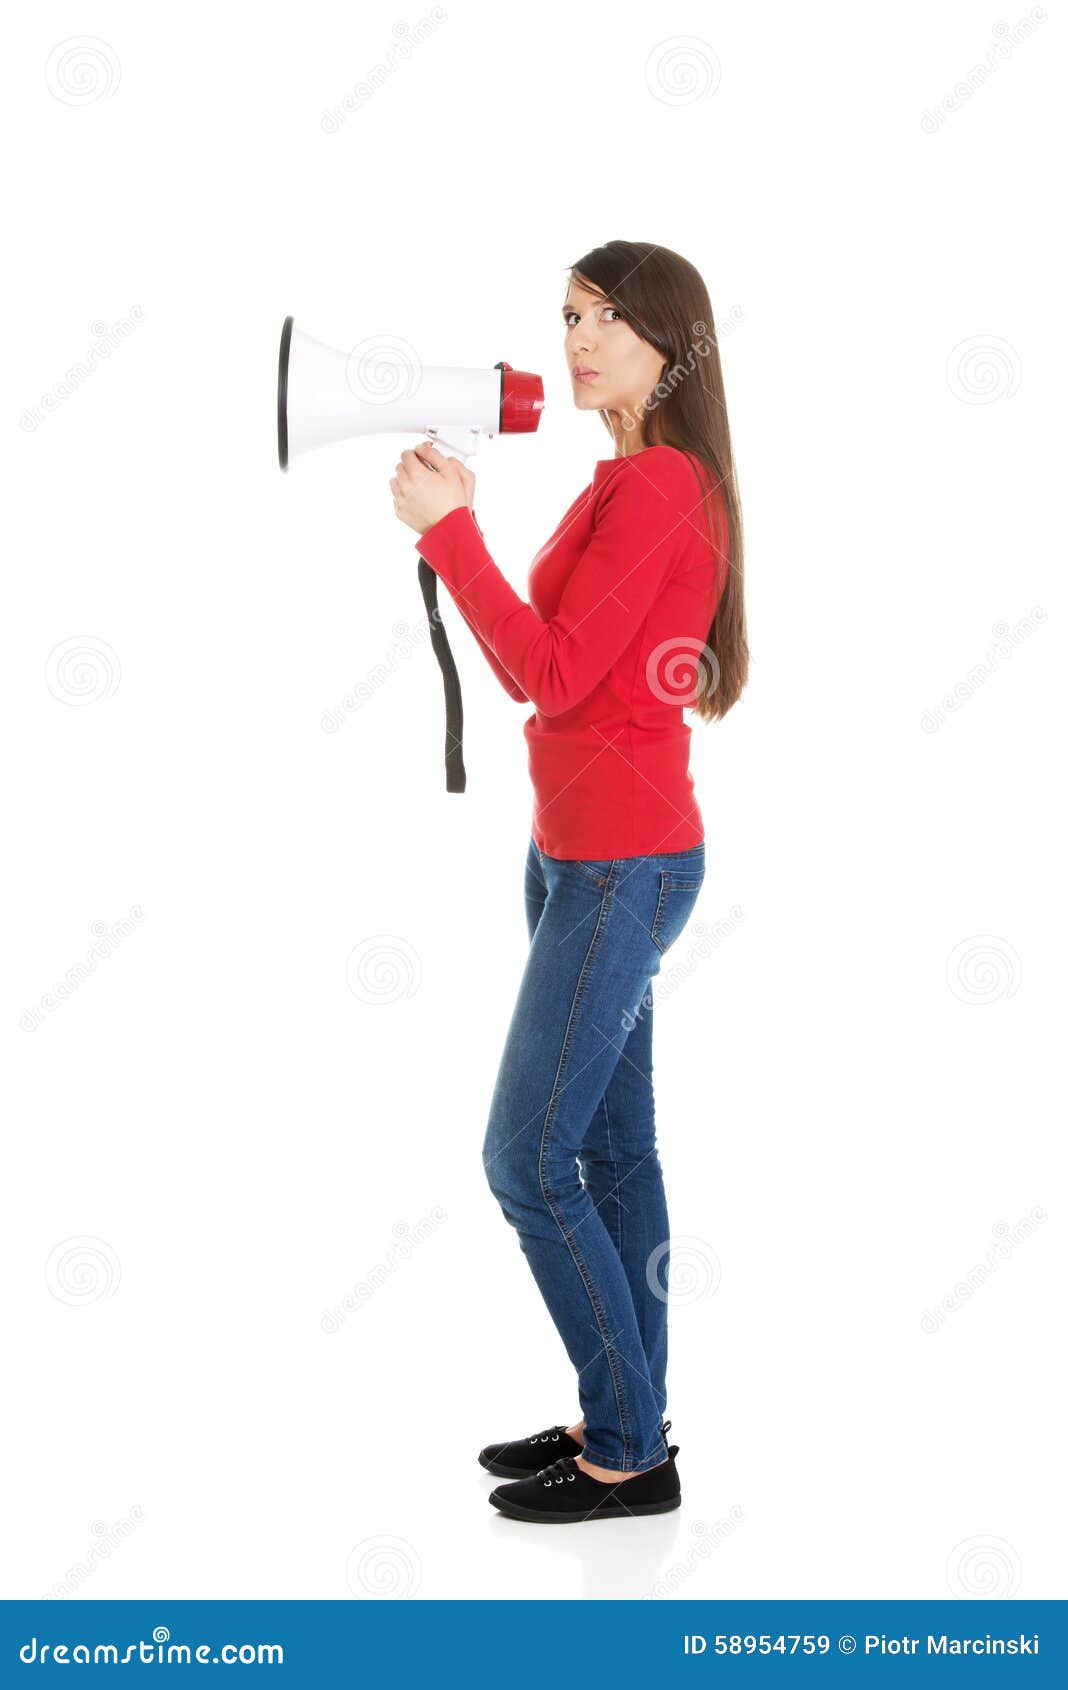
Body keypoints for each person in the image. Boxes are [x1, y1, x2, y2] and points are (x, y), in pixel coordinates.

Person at [389, 240, 747, 1524]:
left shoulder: (657, 485)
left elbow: (546, 673)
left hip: (617, 869)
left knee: (526, 1160)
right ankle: (627, 1417)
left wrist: (453, 535)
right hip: (586, 856)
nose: (578, 340)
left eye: (607, 319)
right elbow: (545, 670)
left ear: (670, 343)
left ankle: (629, 1443)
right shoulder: (640, 481)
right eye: (570, 316)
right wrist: (457, 539)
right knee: (611, 1150)